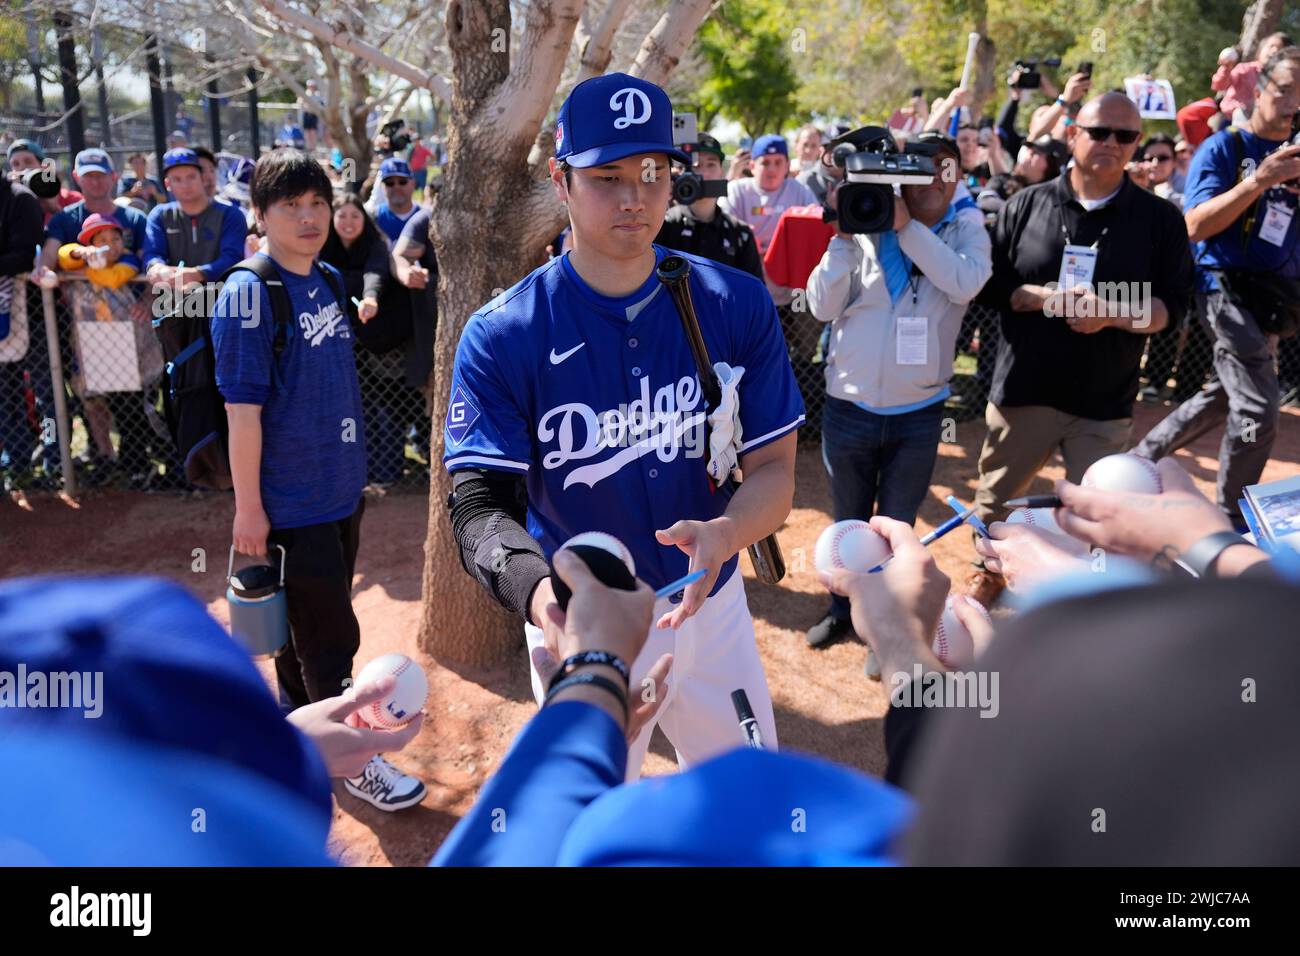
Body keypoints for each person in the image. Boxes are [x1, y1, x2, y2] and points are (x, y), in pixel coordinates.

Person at [443, 72, 803, 780]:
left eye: (653, 171)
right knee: (591, 816)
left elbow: (775, 472)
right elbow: (479, 508)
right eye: (606, 175)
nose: (635, 196)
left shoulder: (733, 301)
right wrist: (546, 605)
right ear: (560, 180)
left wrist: (727, 534)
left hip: (710, 602)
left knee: (751, 805)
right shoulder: (504, 332)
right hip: (583, 621)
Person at [210, 149, 426, 811]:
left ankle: (291, 739)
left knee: (298, 630)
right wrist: (249, 508)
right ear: (262, 214)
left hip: (339, 491)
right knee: (331, 640)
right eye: (290, 207)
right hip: (289, 503)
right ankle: (354, 761)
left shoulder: (329, 278)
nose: (308, 218)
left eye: (317, 205)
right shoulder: (251, 290)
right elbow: (241, 415)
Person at [965, 92, 1195, 607]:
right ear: (1073, 134)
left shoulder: (1159, 219)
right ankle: (988, 574)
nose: (1112, 144)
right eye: (1099, 132)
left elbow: (1172, 308)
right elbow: (994, 288)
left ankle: (1083, 606)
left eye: (1126, 136)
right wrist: (1049, 300)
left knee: (1098, 513)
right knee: (998, 498)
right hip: (1025, 391)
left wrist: (1110, 311)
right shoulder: (1026, 203)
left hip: (1104, 399)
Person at [803, 132, 992, 651]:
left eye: (946, 169)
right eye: (923, 168)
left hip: (919, 411)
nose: (934, 178)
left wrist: (906, 229)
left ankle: (887, 629)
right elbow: (821, 306)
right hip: (849, 406)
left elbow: (965, 282)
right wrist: (843, 236)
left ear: (957, 176)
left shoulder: (966, 229)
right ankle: (843, 611)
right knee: (848, 523)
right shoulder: (867, 224)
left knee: (896, 527)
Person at [1134, 46, 1300, 528]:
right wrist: (1259, 182)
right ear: (1259, 89)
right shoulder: (1225, 147)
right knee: (1259, 405)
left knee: (1226, 395)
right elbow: (1192, 225)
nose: (1293, 103)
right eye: (1285, 88)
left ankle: (1141, 457)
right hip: (1221, 288)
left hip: (1272, 300)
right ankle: (1231, 517)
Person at [654, 133, 763, 279]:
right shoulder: (663, 225)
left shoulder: (740, 234)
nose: (704, 173)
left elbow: (754, 292)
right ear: (682, 173)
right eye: (696, 165)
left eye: (711, 164)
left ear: (721, 172)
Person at [0, 169, 46, 493]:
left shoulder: (20, 198)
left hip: (26, 316)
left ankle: (22, 468)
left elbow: (23, 257)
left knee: (15, 395)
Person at [1212, 32, 1292, 125]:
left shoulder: (1281, 81)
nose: (1274, 51)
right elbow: (1219, 85)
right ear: (1260, 50)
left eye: (1279, 49)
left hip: (1255, 126)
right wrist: (1226, 68)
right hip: (1227, 119)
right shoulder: (1245, 69)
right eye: (1271, 46)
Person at [368, 156, 418, 242]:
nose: (396, 187)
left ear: (413, 183)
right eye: (389, 183)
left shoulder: (427, 218)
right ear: (382, 187)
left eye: (402, 181)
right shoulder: (371, 218)